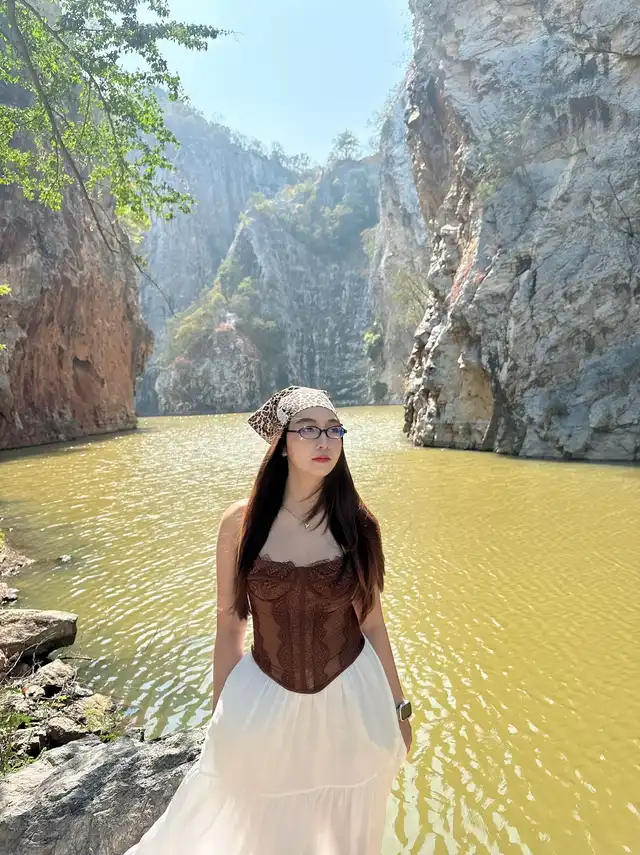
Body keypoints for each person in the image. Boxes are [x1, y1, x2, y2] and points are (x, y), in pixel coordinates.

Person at [123, 385, 412, 855]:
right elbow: (229, 629)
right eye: (308, 429)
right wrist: (221, 717)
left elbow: (373, 625)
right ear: (280, 442)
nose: (324, 441)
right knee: (262, 831)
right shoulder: (241, 523)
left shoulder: (358, 524)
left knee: (346, 834)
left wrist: (399, 709)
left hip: (352, 704)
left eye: (333, 430)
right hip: (265, 700)